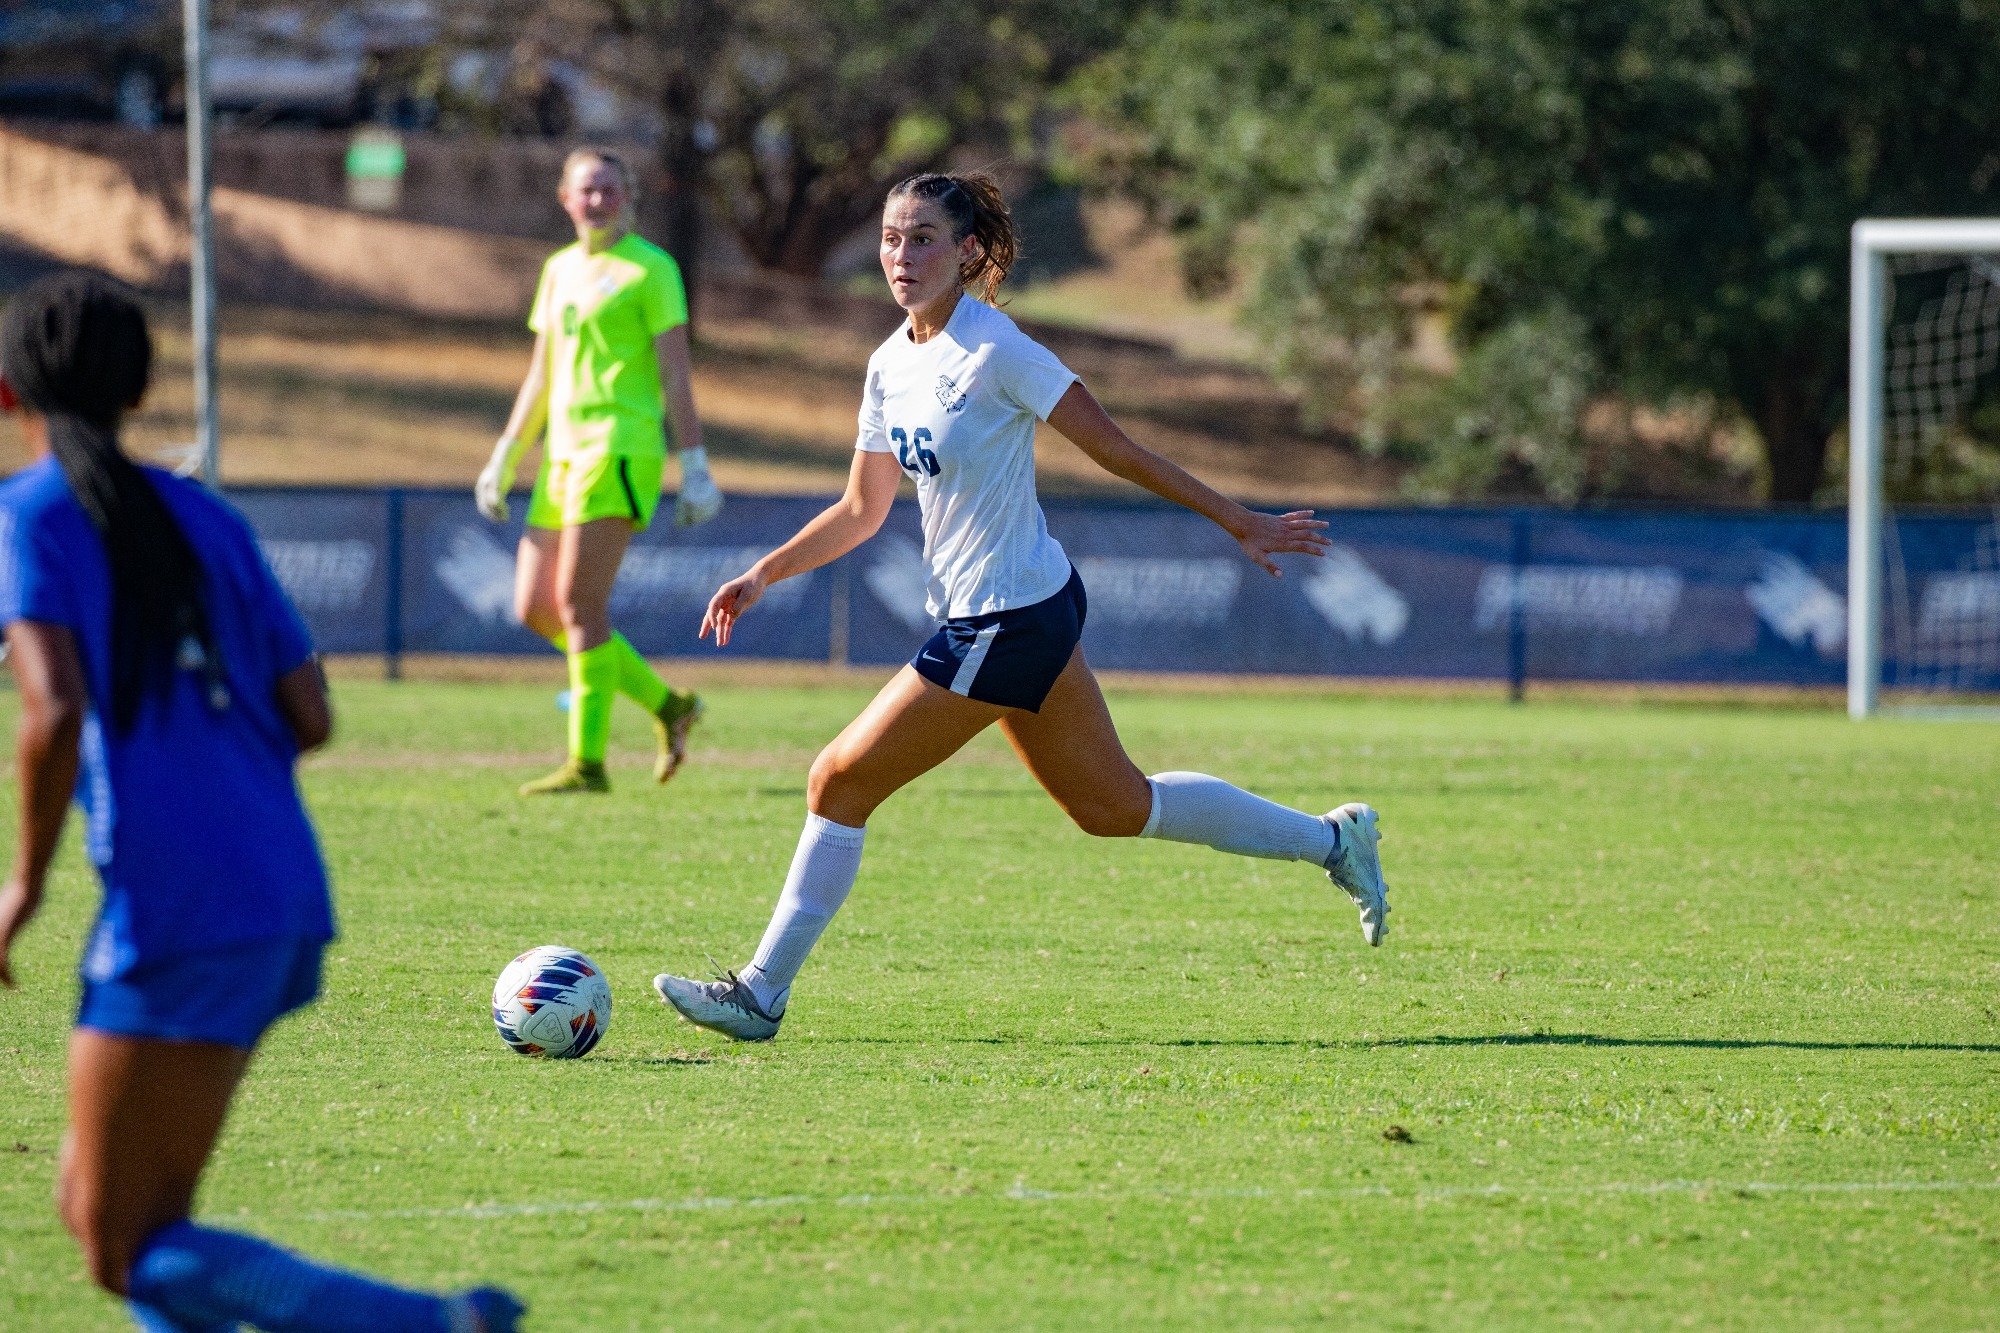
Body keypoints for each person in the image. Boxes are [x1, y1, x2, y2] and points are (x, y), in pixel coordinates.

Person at [652, 173, 1392, 1043]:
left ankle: (760, 992)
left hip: (1006, 619)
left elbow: (1117, 450)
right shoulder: (890, 362)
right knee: (1116, 807)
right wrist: (764, 573)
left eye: (924, 237)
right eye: (892, 238)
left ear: (968, 252)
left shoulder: (997, 349)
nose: (902, 255)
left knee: (836, 779)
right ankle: (1334, 842)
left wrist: (1238, 521)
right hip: (1019, 610)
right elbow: (862, 507)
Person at [0, 272, 523, 1333]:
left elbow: (50, 710)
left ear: (12, 392)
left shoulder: (33, 515)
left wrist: (21, 882)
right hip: (279, 886)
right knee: (132, 1222)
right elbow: (312, 714)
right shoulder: (207, 516)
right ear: (141, 389)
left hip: (176, 906)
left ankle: (428, 1325)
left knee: (118, 1244)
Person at [476, 146, 715, 796]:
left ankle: (587, 763)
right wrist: (504, 455)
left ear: (629, 195)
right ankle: (670, 705)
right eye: (587, 189)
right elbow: (541, 374)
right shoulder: (557, 270)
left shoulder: (653, 269)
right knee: (534, 606)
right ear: (565, 199)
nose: (598, 200)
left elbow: (675, 373)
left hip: (620, 447)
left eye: (610, 188)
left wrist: (693, 464)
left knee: (582, 606)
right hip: (561, 455)